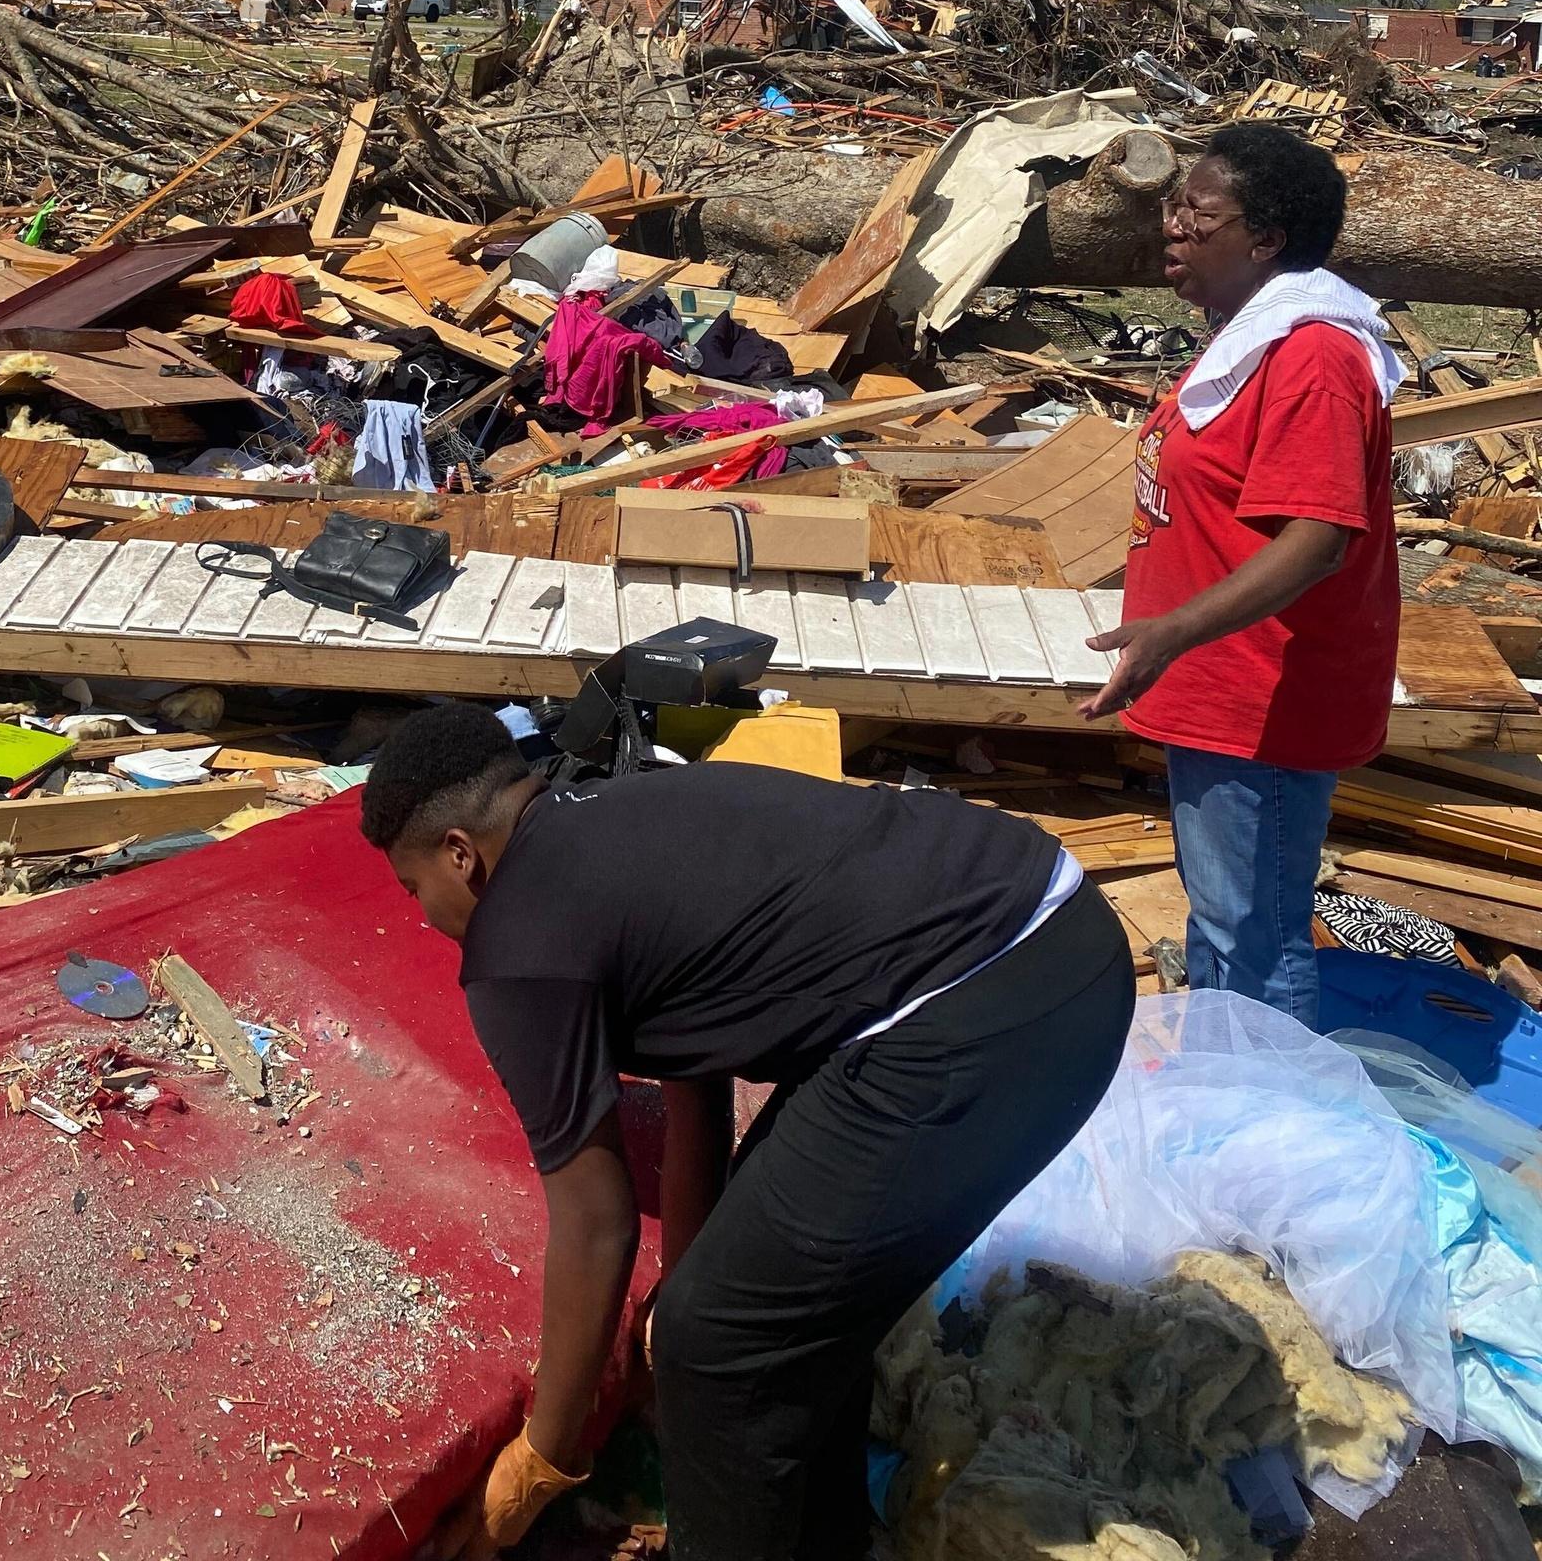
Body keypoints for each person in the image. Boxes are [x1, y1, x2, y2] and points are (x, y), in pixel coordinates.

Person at [359, 706, 1136, 1561]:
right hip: (1043, 930)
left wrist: (541, 1462)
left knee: (719, 1354)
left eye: (411, 887)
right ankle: (829, 1539)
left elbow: (596, 1224)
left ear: (461, 854)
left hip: (990, 1007)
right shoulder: (616, 815)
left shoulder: (519, 944)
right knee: (762, 1326)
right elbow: (697, 1071)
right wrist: (697, 1282)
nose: (420, 912)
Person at [1082, 121, 1403, 1023]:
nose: (1173, 226)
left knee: (1250, 937)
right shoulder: (1247, 337)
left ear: (1265, 240)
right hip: (1217, 683)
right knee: (1227, 922)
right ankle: (1235, 1106)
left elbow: (1319, 538)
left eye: (1198, 211)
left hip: (1262, 698)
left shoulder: (1311, 357)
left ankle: (1273, 1135)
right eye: (1174, 203)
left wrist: (1174, 630)